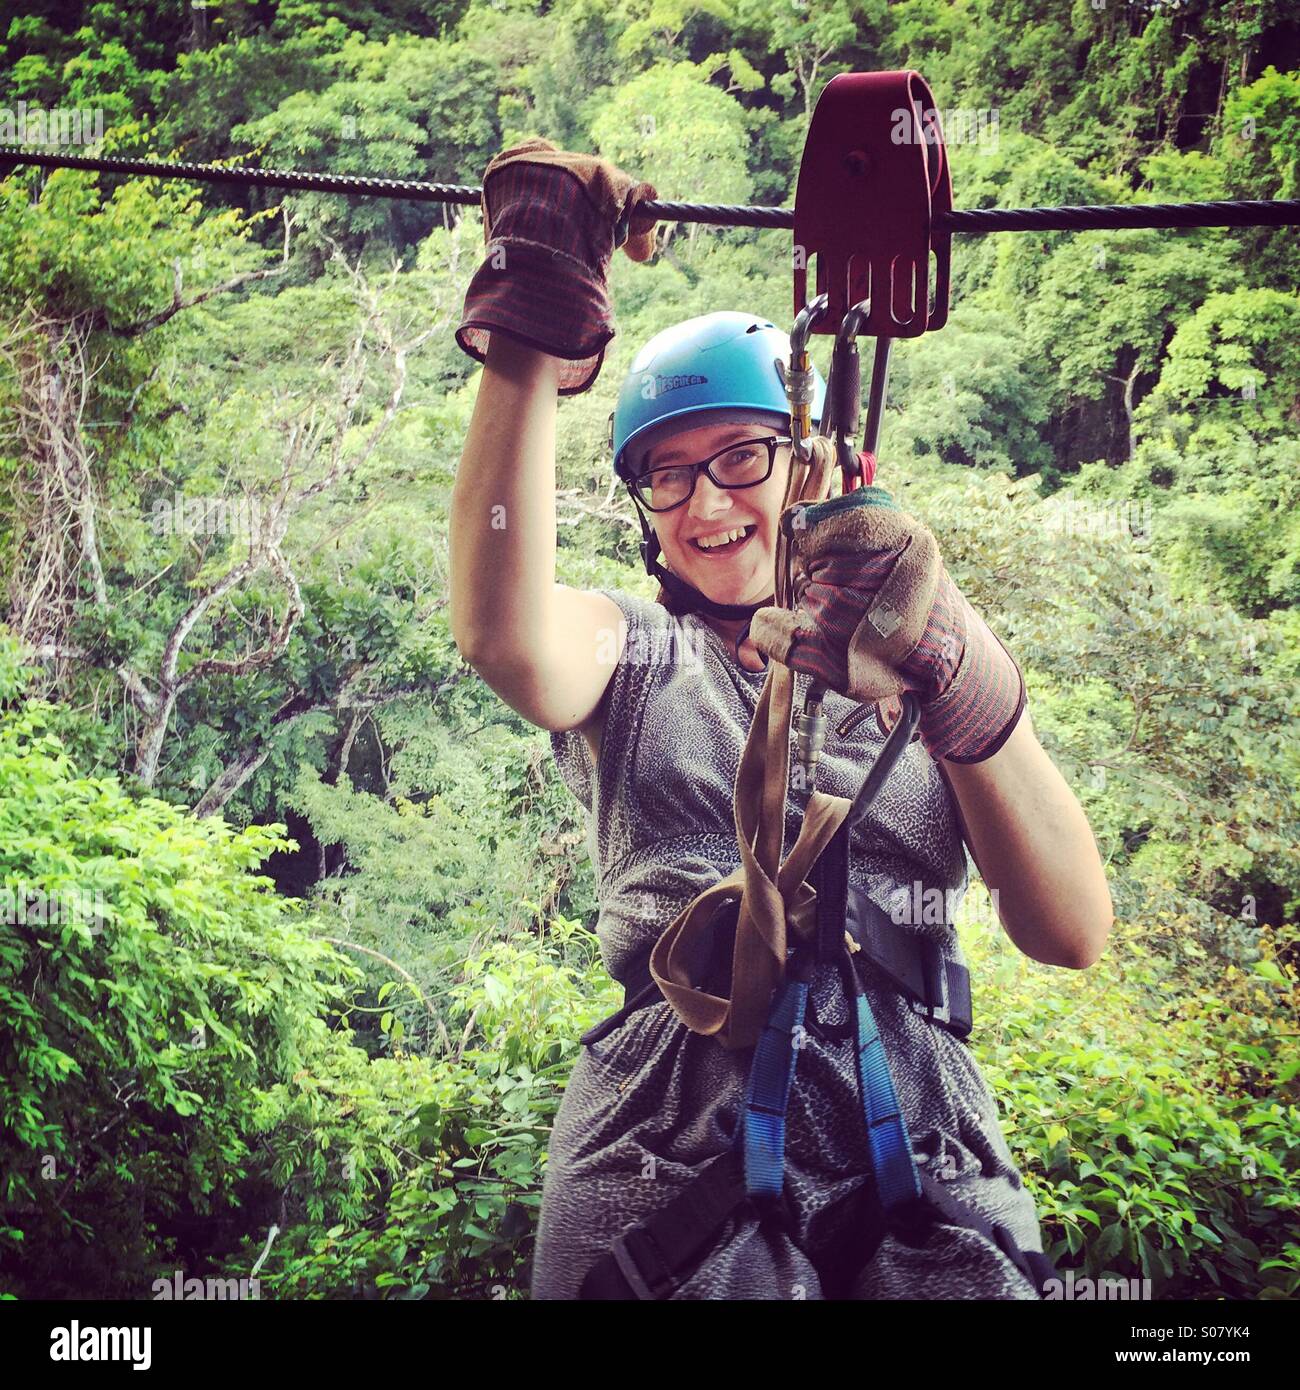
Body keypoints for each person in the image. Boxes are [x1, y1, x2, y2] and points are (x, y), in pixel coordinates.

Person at [450, 142, 1113, 1299]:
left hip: (915, 1129)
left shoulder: (930, 666)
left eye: (742, 456)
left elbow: (1067, 928)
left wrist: (949, 665)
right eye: (666, 476)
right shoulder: (634, 650)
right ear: (645, 516)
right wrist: (527, 333)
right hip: (668, 1145)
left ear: (811, 458)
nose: (705, 502)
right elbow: (507, 638)